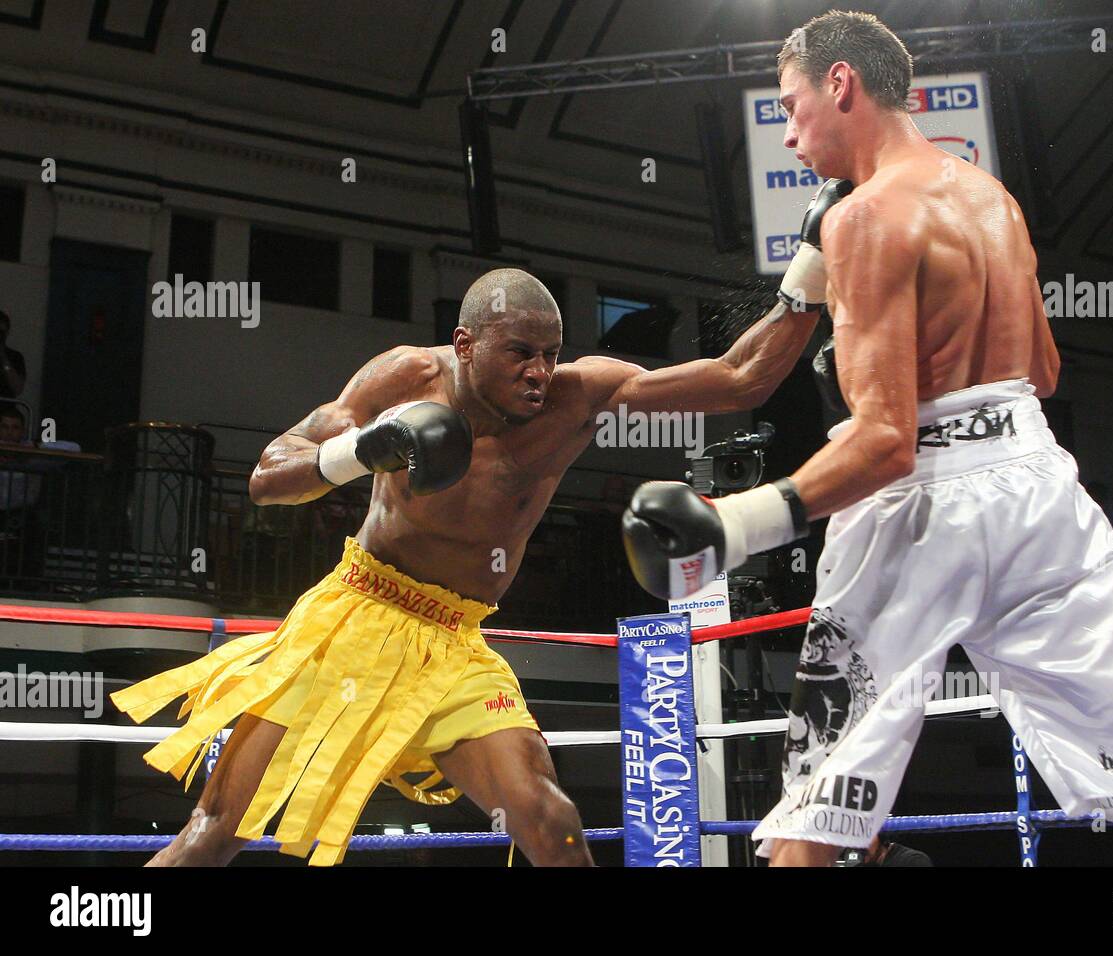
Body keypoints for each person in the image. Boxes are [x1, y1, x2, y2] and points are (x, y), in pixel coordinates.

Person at [621, 11, 1113, 867]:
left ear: (842, 84)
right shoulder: (993, 200)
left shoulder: (865, 217)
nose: (787, 133)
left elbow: (885, 443)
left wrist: (737, 524)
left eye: (791, 106)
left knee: (816, 813)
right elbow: (1043, 371)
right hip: (1041, 492)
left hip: (920, 508)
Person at [111, 252, 831, 866]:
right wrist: (358, 452)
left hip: (453, 647)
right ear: (465, 343)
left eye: (550, 352)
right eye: (520, 352)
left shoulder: (580, 396)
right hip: (349, 620)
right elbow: (269, 476)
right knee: (212, 838)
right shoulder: (404, 379)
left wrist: (809, 270)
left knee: (552, 825)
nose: (540, 371)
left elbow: (743, 379)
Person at [0, 311, 26, 399]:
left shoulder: (15, 357)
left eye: (1, 332)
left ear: (7, 333)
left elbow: (17, 389)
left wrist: (3, 358)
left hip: (5, 408)